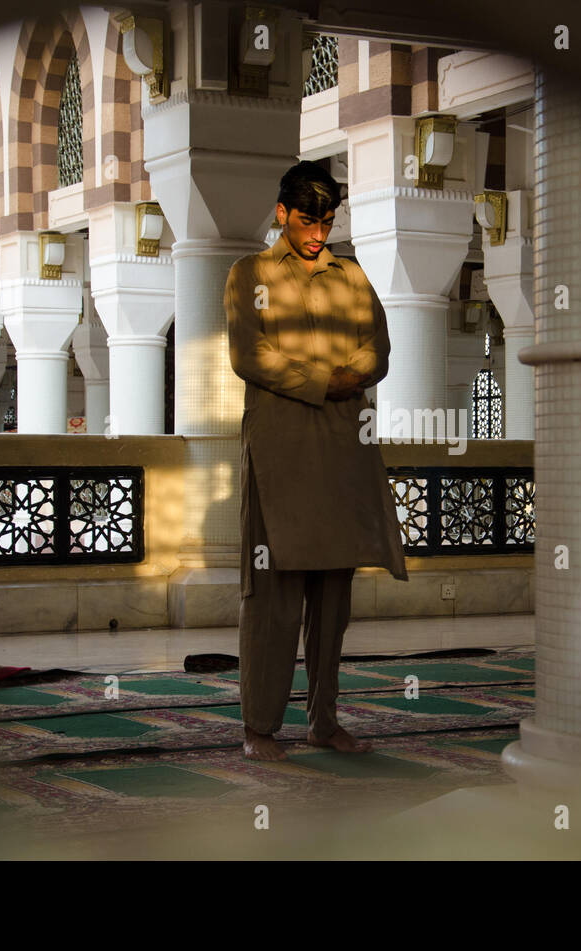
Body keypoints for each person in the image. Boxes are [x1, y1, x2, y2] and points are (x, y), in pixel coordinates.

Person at [224, 161, 409, 761]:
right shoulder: (249, 274)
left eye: (327, 221)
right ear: (282, 213)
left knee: (334, 600)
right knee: (273, 601)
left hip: (342, 454)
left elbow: (377, 347)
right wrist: (325, 380)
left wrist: (355, 374)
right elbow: (250, 354)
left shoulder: (351, 278)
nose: (317, 233)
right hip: (280, 456)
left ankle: (323, 721)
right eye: (307, 220)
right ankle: (260, 727)